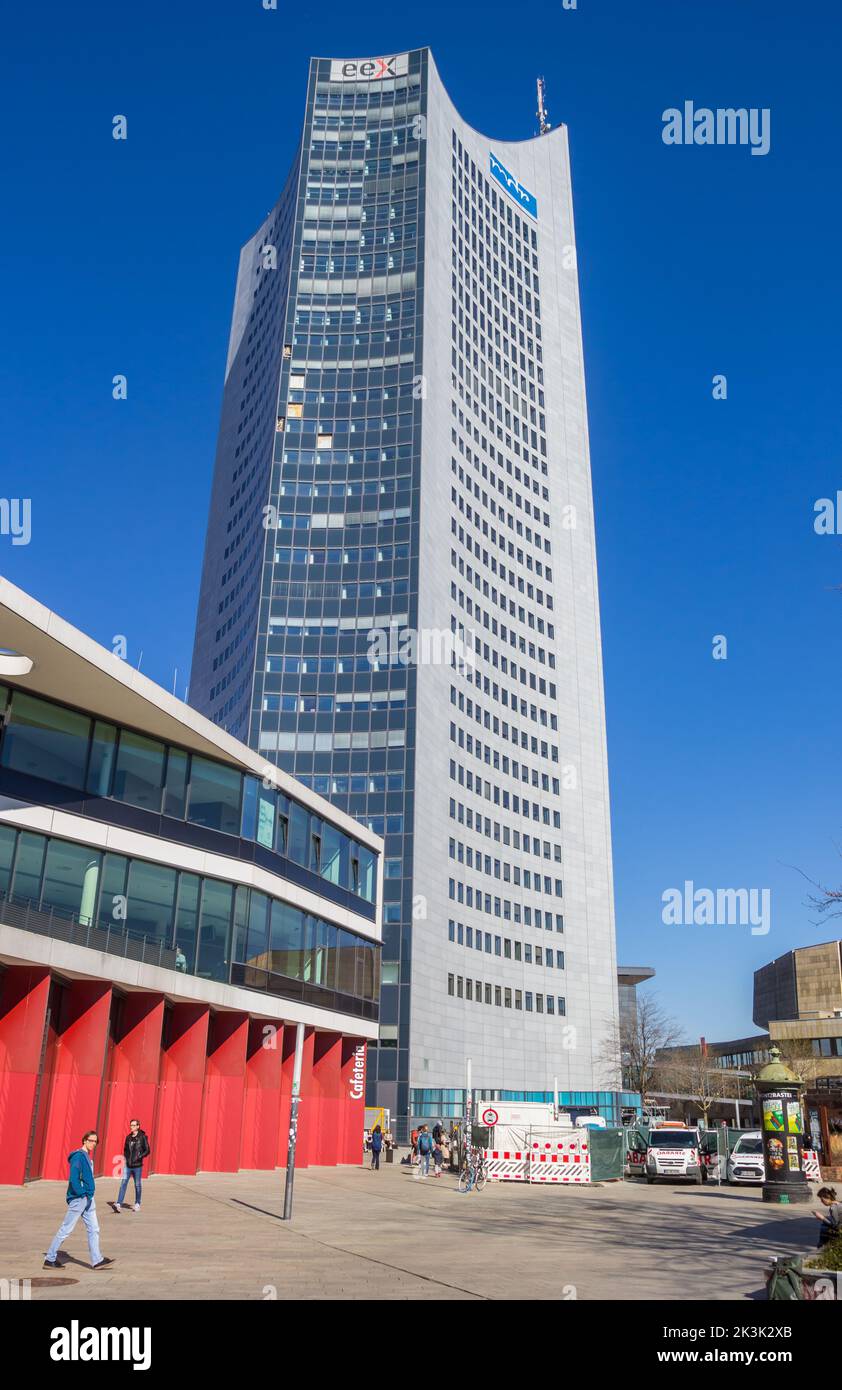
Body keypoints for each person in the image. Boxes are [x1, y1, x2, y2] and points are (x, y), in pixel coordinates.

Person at [44, 1131, 113, 1270]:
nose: (93, 1143)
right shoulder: (78, 1157)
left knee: (94, 1229)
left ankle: (97, 1260)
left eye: (95, 1141)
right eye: (91, 1140)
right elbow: (74, 1178)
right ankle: (49, 1258)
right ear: (84, 1141)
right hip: (79, 1199)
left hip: (88, 1198)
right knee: (66, 1229)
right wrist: (82, 1194)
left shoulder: (87, 1157)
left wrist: (88, 1195)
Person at [114, 1118, 151, 1213]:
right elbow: (125, 1150)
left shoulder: (142, 1137)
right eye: (131, 1125)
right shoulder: (128, 1137)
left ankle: (137, 1204)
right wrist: (126, 1159)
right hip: (128, 1165)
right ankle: (119, 1203)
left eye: (134, 1125)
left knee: (137, 1185)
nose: (132, 1127)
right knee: (123, 1183)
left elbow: (147, 1150)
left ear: (138, 1126)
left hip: (137, 1165)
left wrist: (140, 1156)